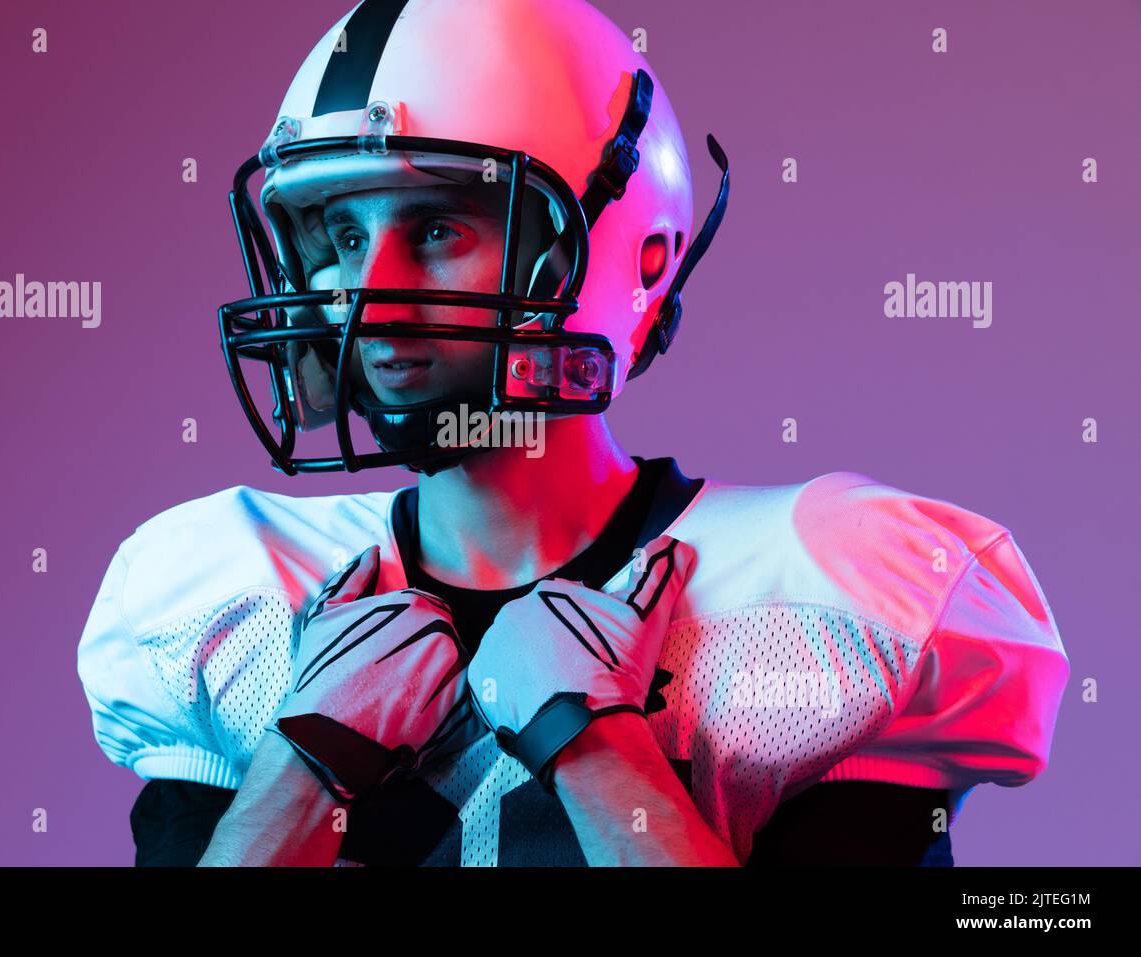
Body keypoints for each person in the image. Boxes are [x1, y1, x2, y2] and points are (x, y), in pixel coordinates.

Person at [77, 0, 1070, 867]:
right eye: (340, 236)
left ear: (630, 260)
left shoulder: (834, 583)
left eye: (433, 229)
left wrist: (594, 748)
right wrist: (306, 766)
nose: (365, 292)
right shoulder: (229, 589)